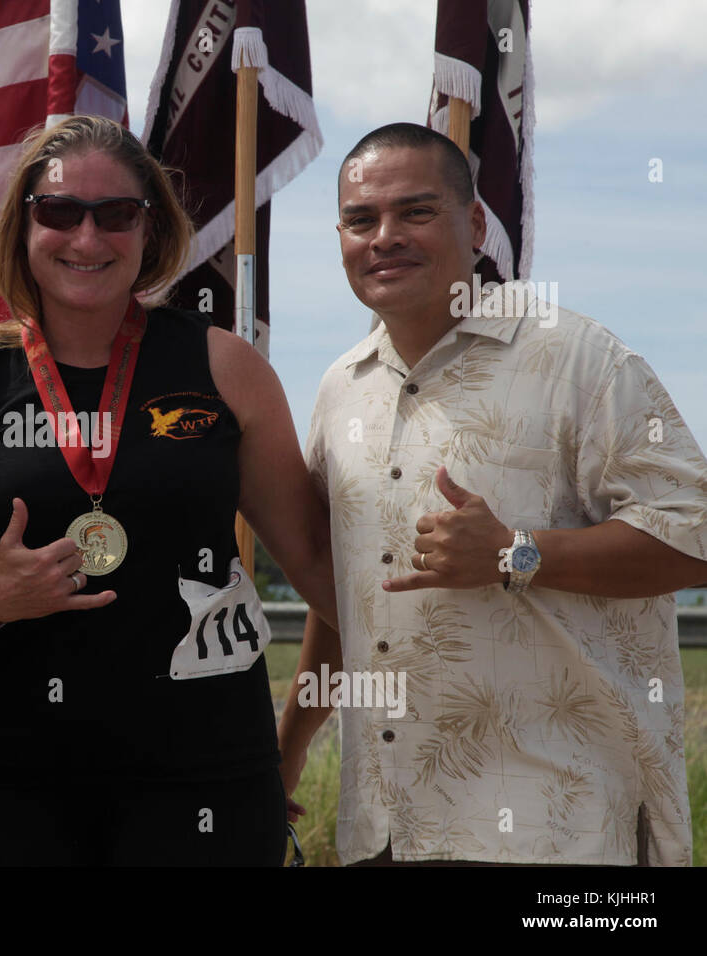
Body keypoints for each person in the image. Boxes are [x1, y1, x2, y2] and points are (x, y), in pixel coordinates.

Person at [0, 115, 338, 866]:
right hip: (12, 789)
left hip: (206, 781)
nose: (87, 239)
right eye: (59, 212)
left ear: (150, 229)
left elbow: (323, 568)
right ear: (22, 229)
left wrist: (298, 737)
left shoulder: (226, 368)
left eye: (116, 214)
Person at [278, 122, 707, 866]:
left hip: (559, 833)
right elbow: (348, 595)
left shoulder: (579, 358)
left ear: (475, 224)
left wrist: (517, 553)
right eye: (360, 219)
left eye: (415, 212)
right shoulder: (339, 390)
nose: (384, 237)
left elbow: (695, 535)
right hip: (382, 832)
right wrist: (283, 754)